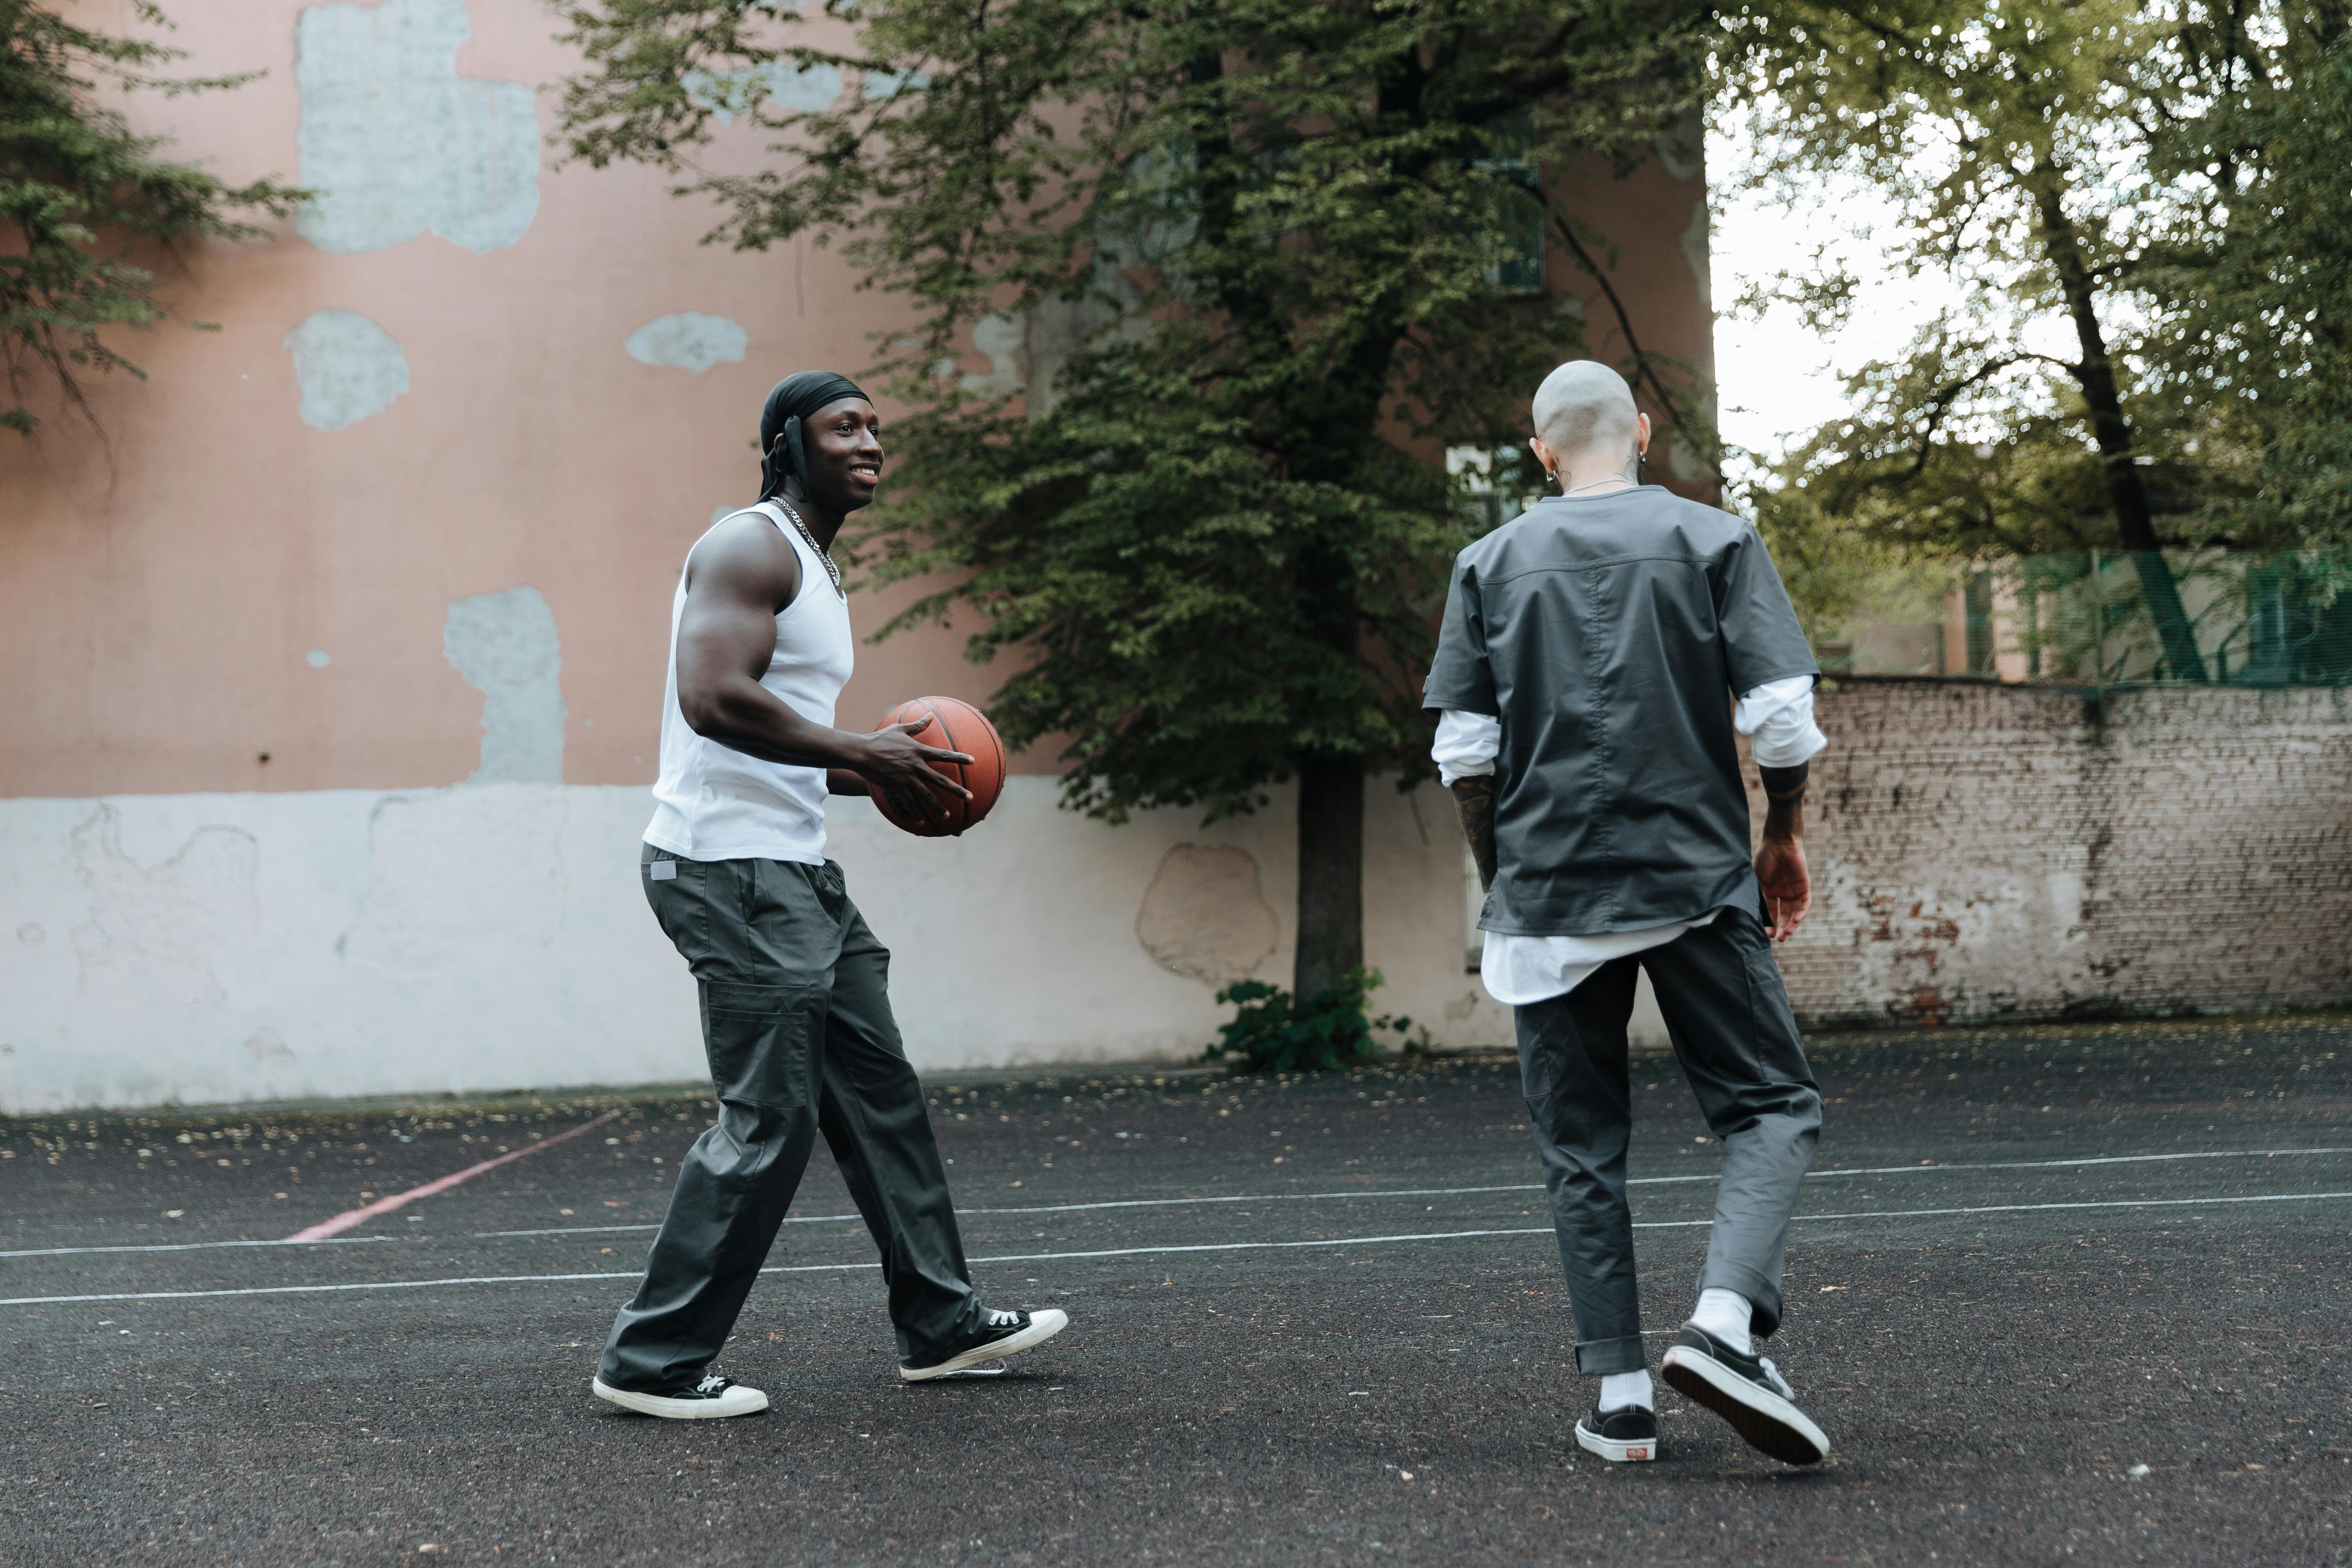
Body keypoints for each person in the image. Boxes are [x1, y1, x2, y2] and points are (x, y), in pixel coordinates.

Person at [591, 371, 1068, 1420]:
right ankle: (651, 1362)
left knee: (880, 1092)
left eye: (876, 428)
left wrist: (897, 774)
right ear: (786, 446)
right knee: (770, 1122)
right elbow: (711, 697)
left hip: (794, 869)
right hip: (730, 870)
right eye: (843, 426)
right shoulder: (749, 546)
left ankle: (940, 1322)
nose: (869, 443)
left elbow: (785, 740)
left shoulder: (814, 562)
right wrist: (862, 748)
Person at [1424, 360, 1831, 1467]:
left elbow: (1466, 754)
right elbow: (1782, 716)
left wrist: (1510, 880)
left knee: (1581, 1147)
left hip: (1547, 895)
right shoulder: (1717, 540)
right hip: (1694, 881)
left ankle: (1620, 1400)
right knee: (1771, 1107)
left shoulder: (1485, 563)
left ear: (1540, 450)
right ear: (1642, 432)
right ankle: (1726, 1327)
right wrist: (1782, 833)